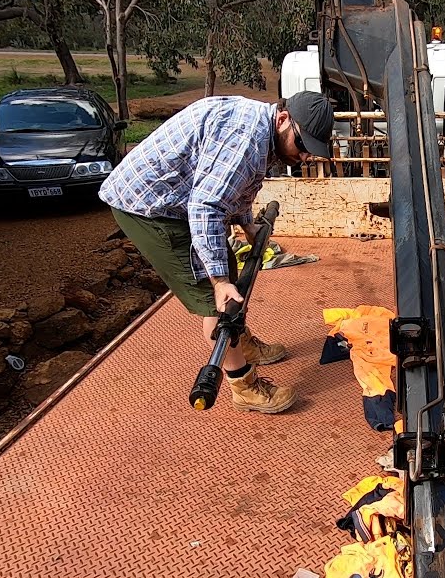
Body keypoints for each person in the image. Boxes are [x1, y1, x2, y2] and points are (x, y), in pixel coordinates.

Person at [98, 91, 335, 414]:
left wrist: (246, 224)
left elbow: (234, 186)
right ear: (282, 120)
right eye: (303, 146)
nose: (305, 157)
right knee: (217, 300)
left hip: (180, 200)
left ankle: (242, 343)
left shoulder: (262, 131)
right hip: (149, 208)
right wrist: (219, 280)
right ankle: (244, 385)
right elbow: (206, 206)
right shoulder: (245, 141)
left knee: (227, 277)